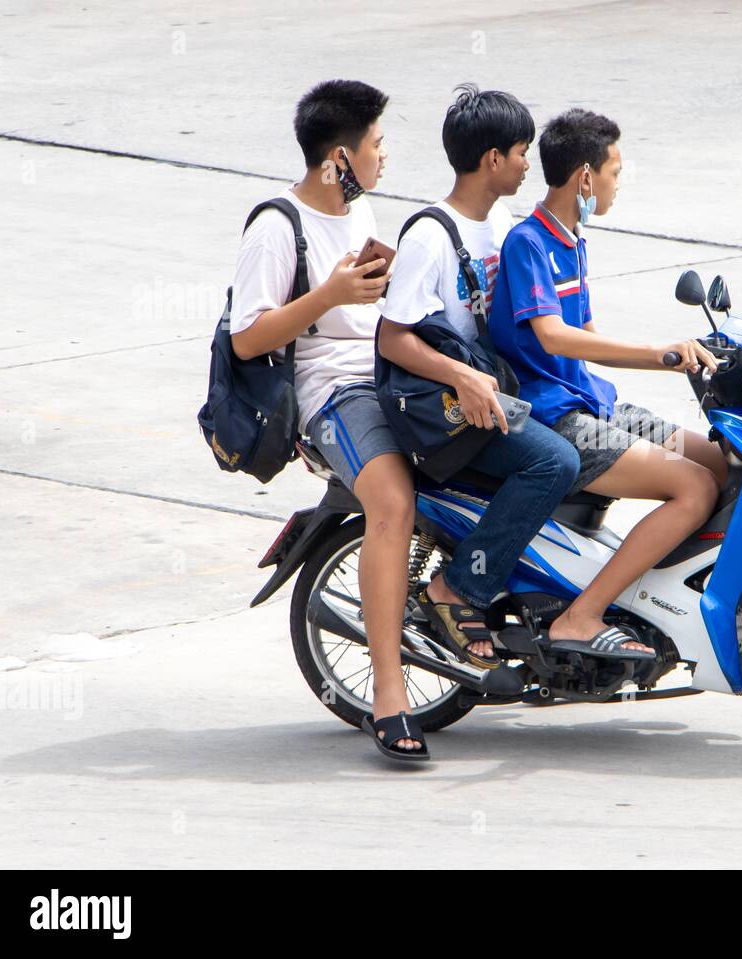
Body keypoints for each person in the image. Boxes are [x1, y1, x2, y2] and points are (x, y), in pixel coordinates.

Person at [229, 79, 428, 758]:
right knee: (392, 502)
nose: (385, 156)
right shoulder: (275, 226)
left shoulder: (357, 211)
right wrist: (329, 293)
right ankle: (389, 693)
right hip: (331, 394)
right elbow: (248, 338)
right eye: (377, 143)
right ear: (336, 158)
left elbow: (369, 303)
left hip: (387, 374)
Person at [488, 108, 728, 658]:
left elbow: (589, 335)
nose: (618, 184)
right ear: (586, 178)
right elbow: (553, 337)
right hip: (562, 420)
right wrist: (657, 353)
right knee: (693, 488)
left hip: (597, 405)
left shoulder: (572, 239)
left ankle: (667, 598)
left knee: (726, 462)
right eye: (615, 172)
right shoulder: (529, 242)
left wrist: (673, 353)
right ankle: (583, 615)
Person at [378, 86, 580, 670]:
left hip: (497, 392)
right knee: (556, 461)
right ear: (493, 159)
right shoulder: (430, 237)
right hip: (447, 410)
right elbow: (394, 338)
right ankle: (457, 589)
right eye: (521, 152)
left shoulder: (499, 218)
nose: (527, 164)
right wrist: (462, 377)